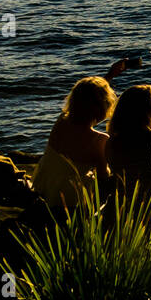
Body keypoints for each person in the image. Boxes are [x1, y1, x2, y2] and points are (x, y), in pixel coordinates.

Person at [32, 59, 128, 208]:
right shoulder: (100, 140)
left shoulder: (61, 121)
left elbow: (88, 94)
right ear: (103, 108)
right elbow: (103, 178)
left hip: (44, 187)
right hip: (70, 201)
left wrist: (110, 75)